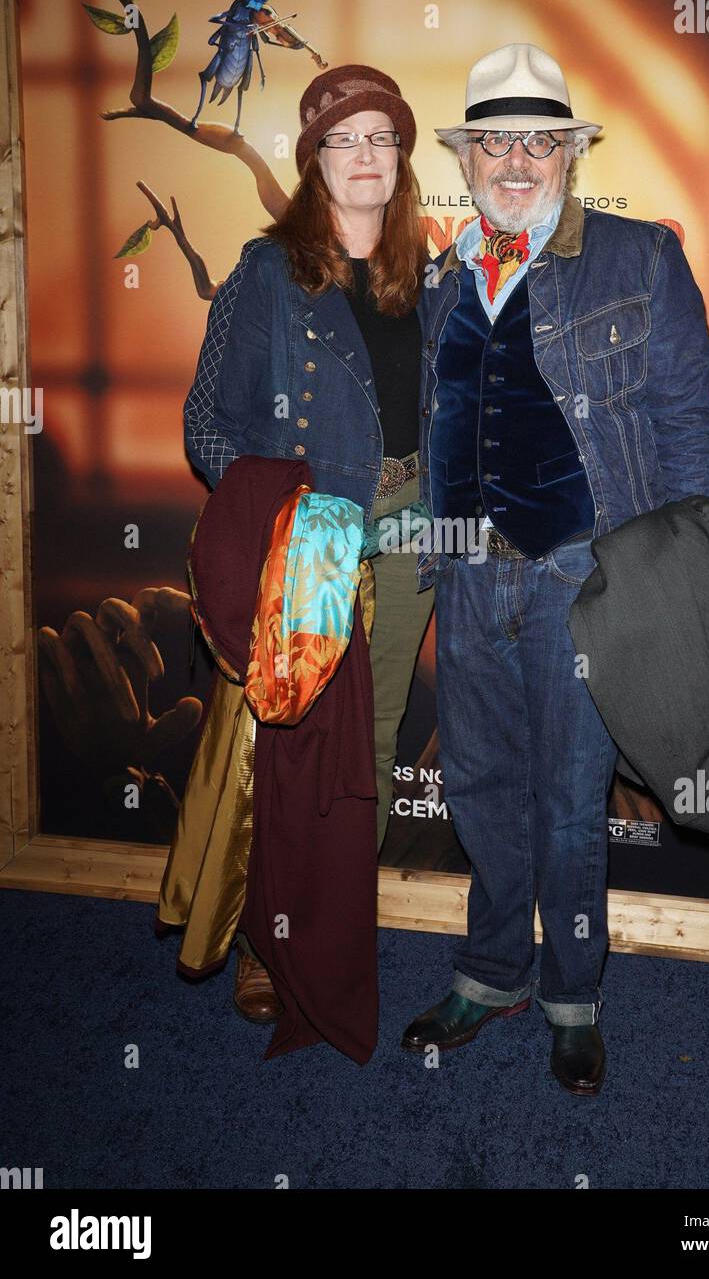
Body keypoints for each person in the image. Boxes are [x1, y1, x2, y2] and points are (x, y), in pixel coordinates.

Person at [402, 43, 709, 1095]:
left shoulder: (640, 258)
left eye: (535, 140)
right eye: (492, 139)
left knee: (567, 798)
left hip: (579, 578)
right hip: (465, 573)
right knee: (480, 786)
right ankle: (491, 971)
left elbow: (687, 429)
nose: (512, 160)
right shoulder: (442, 276)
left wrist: (693, 578)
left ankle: (571, 997)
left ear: (567, 156)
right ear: (466, 159)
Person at [182, 63, 434, 1024]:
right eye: (344, 139)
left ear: (402, 155)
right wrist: (284, 519)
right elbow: (208, 421)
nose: (365, 155)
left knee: (366, 747)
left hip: (412, 526)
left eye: (382, 137)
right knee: (288, 743)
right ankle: (265, 943)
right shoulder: (267, 272)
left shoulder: (434, 274)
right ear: (314, 158)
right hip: (316, 532)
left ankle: (330, 924)